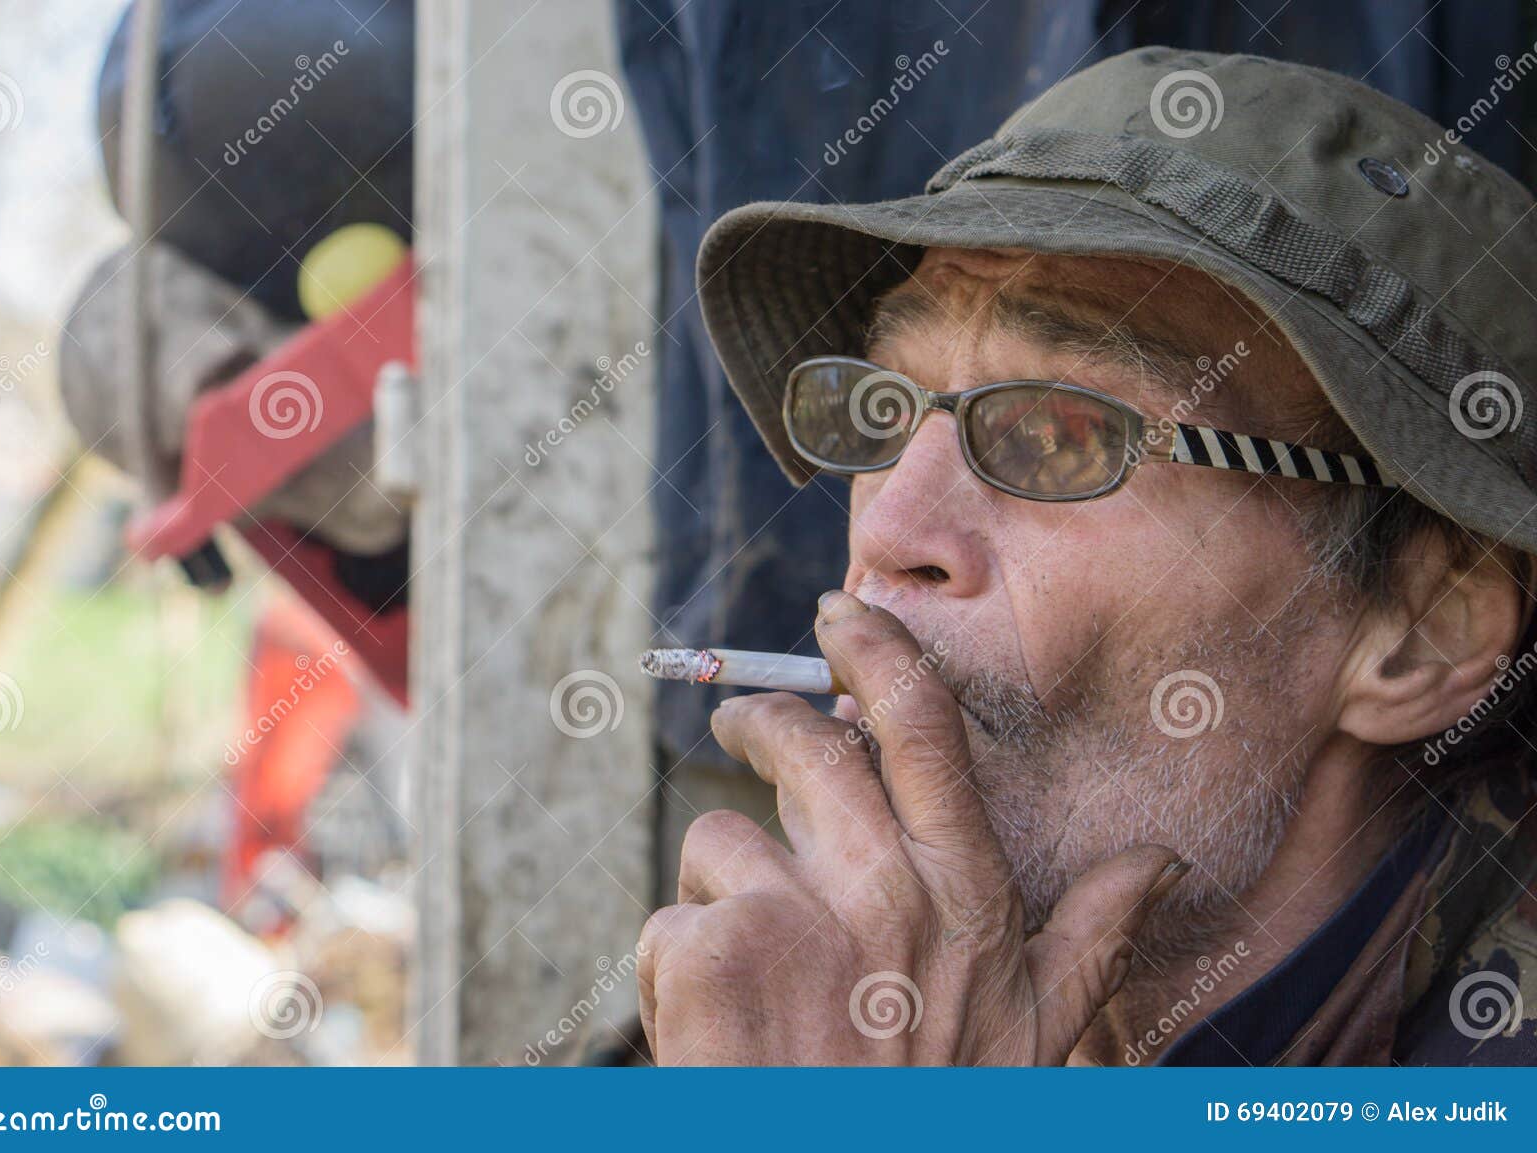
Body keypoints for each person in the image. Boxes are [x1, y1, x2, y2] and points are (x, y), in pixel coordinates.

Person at [636, 48, 1537, 1066]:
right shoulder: (781, 1007)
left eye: (1057, 434)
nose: (887, 538)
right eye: (884, 411)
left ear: (1424, 628)